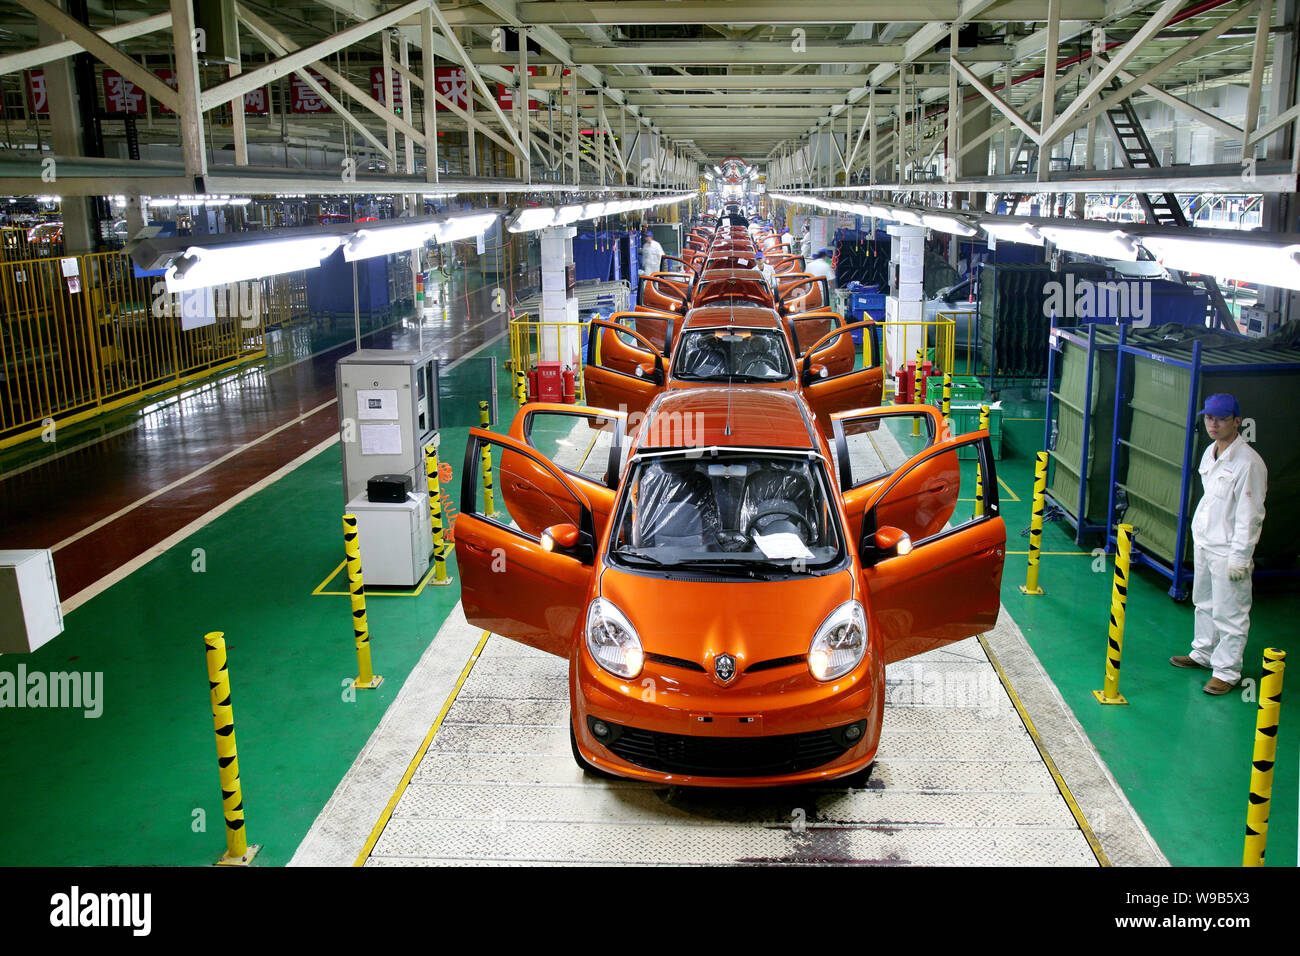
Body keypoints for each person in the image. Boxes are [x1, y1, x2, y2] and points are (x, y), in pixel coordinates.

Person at [1170, 393, 1267, 695]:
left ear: (1237, 421)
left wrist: (1241, 556)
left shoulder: (1248, 463)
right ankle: (1204, 653)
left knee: (1231, 611)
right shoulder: (1211, 452)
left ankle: (1227, 671)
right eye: (1209, 418)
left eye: (1222, 418)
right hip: (1205, 543)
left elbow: (1250, 515)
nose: (1213, 423)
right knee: (1204, 603)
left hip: (1228, 551)